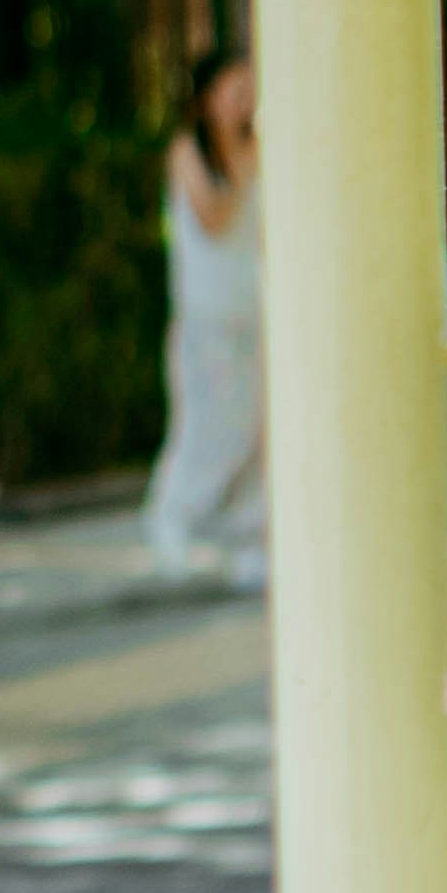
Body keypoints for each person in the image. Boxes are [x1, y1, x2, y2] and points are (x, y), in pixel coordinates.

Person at [142, 47, 266, 585]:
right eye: (234, 91)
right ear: (207, 98)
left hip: (256, 312)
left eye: (250, 91)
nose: (245, 102)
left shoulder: (260, 149)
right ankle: (171, 522)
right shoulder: (187, 152)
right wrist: (240, 169)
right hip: (207, 318)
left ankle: (247, 537)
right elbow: (212, 219)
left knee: (258, 430)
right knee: (207, 427)